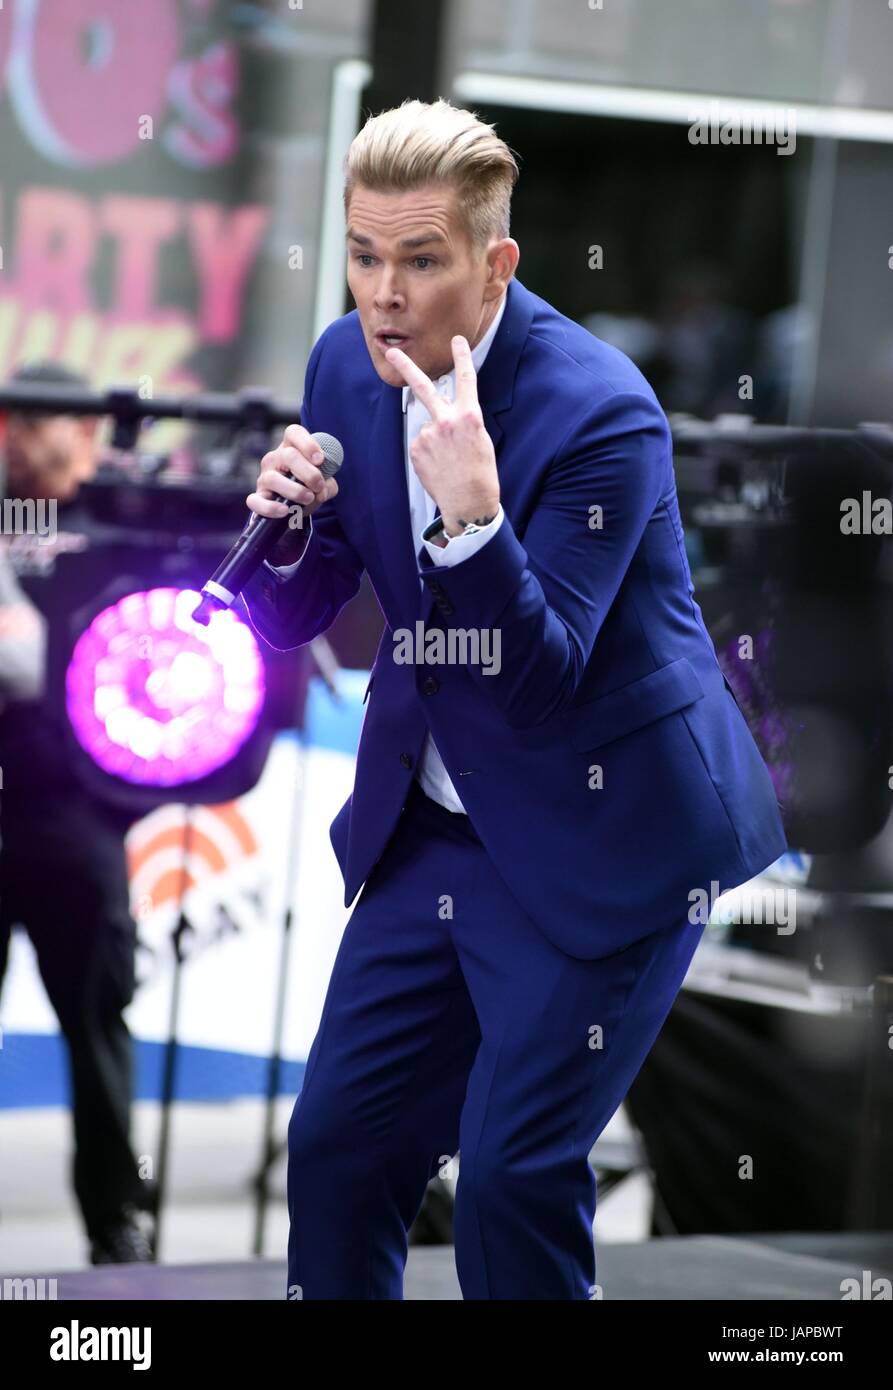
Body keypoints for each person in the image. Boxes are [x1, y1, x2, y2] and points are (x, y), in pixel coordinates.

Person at [240, 99, 788, 1300]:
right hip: (435, 824)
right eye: (363, 252)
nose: (383, 292)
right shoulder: (344, 361)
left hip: (608, 831)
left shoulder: (602, 411)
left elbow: (536, 682)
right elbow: (307, 613)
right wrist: (283, 535)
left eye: (420, 259)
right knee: (335, 1150)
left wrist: (475, 522)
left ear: (495, 264)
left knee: (505, 1177)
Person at [0, 361, 154, 1264]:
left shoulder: (120, 524)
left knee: (98, 1026)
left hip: (76, 816)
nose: (20, 442)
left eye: (39, 425)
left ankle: (115, 1224)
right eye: (12, 424)